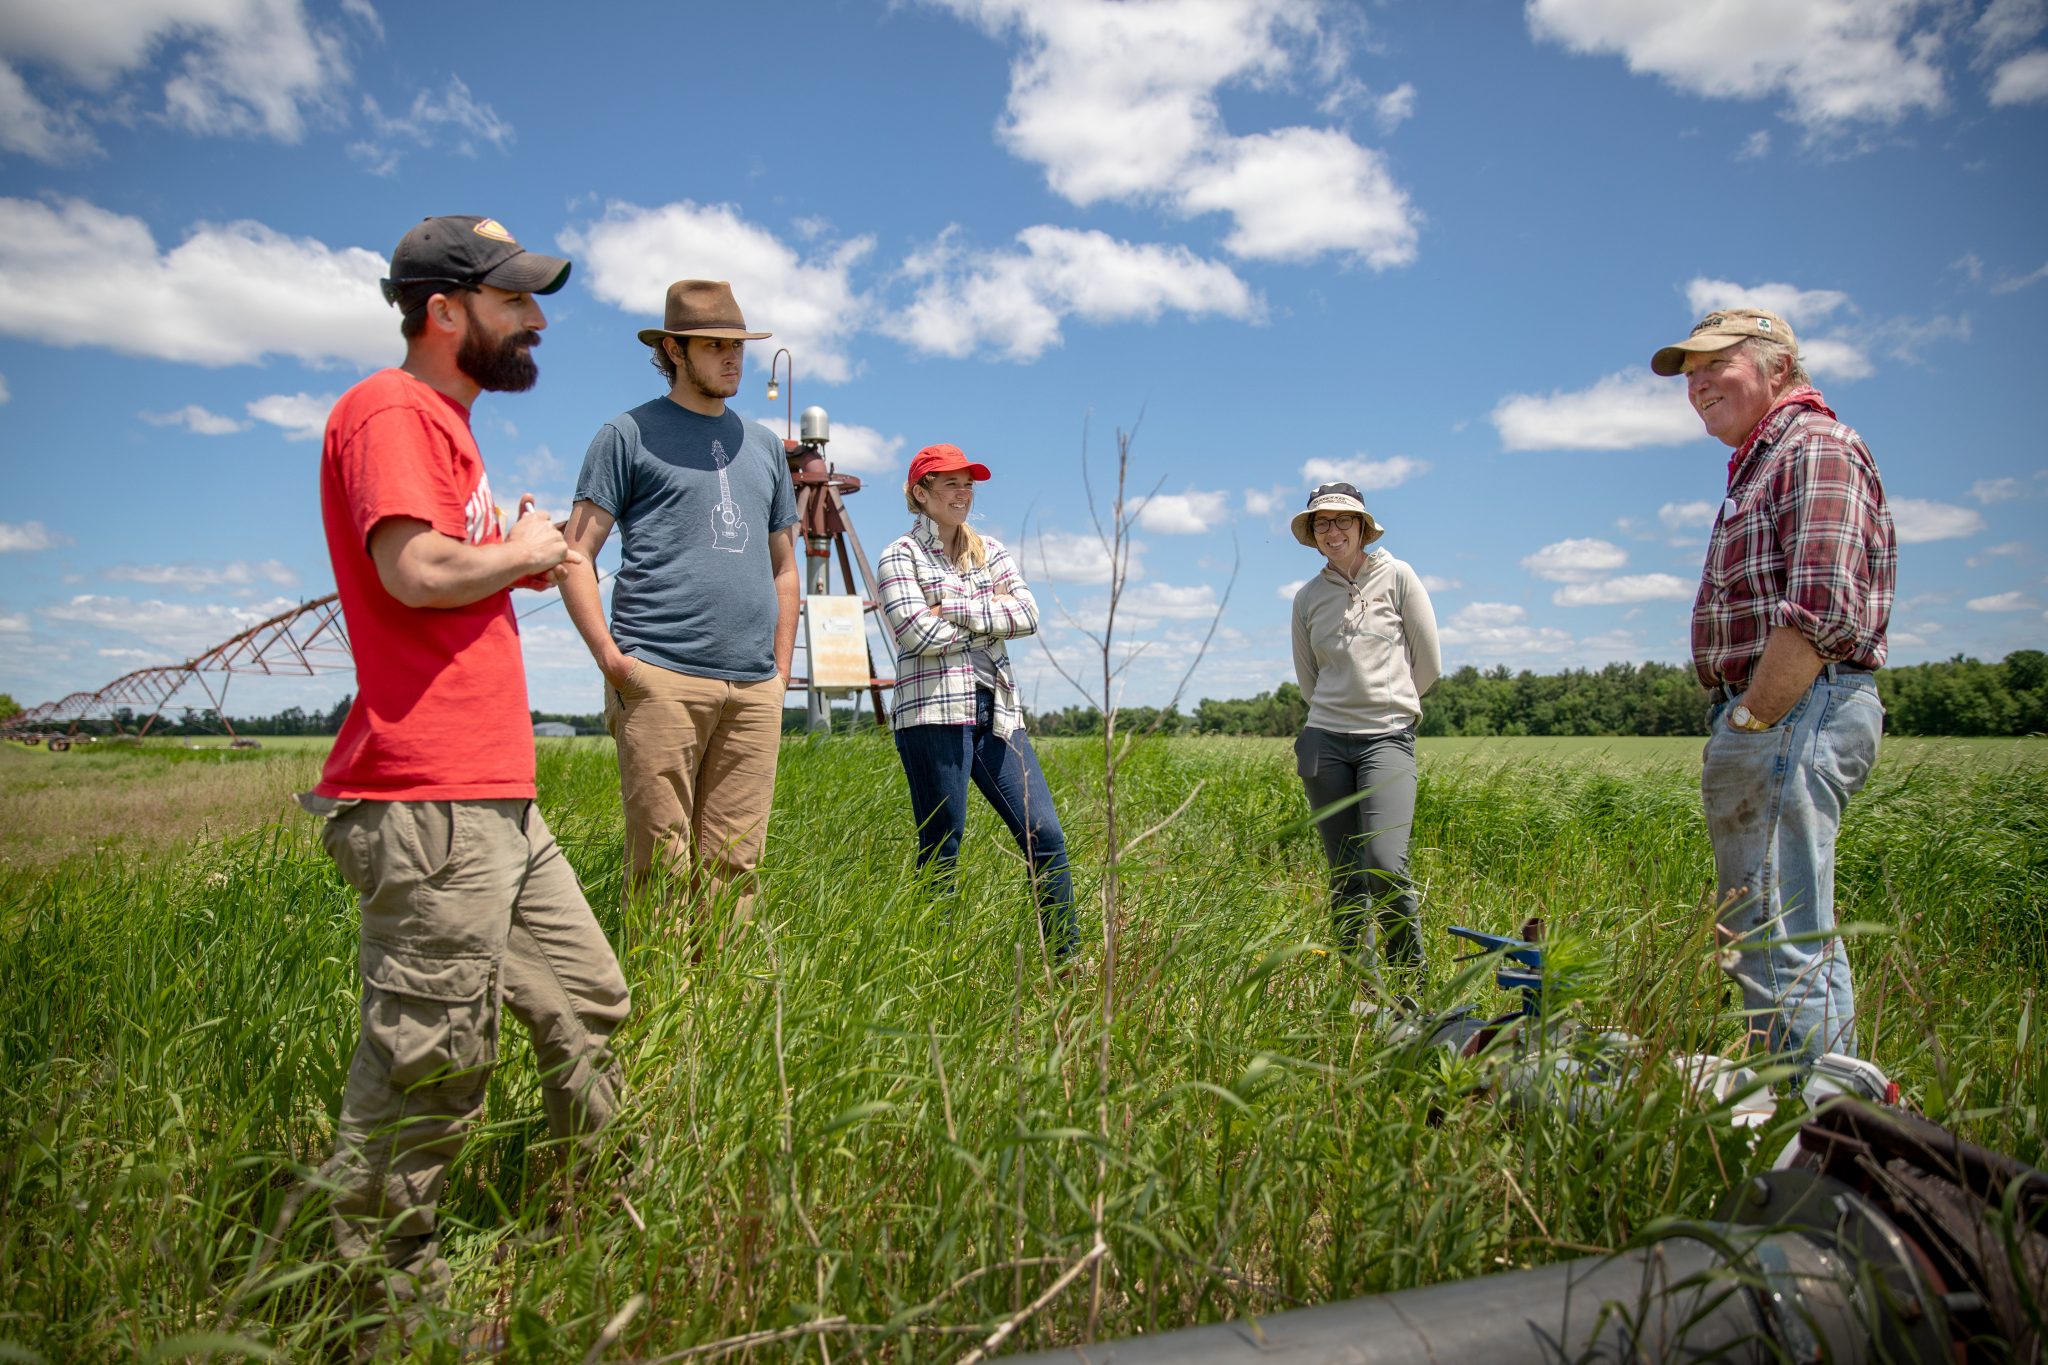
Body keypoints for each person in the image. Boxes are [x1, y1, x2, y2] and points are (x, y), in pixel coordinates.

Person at [300, 215, 631, 1312]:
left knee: (585, 1003)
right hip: (428, 793)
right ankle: (384, 1307)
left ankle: (591, 1234)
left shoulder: (448, 427)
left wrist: (515, 561)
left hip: (492, 793)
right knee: (431, 1061)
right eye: (513, 301)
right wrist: (522, 554)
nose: (536, 320)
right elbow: (414, 567)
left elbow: (456, 568)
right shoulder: (392, 408)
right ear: (444, 313)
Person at [1652, 307, 1894, 1065]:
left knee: (1783, 939)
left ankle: (1820, 1129)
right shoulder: (1763, 460)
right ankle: (1785, 1102)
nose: (1695, 386)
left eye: (1712, 367)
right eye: (1688, 376)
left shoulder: (1816, 446)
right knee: (1758, 933)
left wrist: (1753, 718)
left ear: (1778, 367)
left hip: (1796, 708)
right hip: (1778, 712)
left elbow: (1821, 608)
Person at [560, 280, 800, 937]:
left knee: (736, 873)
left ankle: (725, 1027)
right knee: (660, 871)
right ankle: (665, 1030)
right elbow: (575, 552)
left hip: (753, 689)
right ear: (674, 348)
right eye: (715, 345)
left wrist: (777, 677)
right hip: (659, 677)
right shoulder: (626, 435)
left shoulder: (763, 448)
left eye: (739, 346)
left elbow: (784, 567)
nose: (732, 358)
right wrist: (614, 662)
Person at [877, 444, 1079, 963]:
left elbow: (1029, 615)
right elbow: (915, 633)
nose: (963, 493)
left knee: (1045, 835)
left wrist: (956, 608)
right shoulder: (900, 554)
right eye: (950, 484)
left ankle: (1067, 963)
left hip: (998, 713)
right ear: (921, 494)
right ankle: (931, 964)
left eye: (968, 484)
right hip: (933, 715)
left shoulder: (989, 550)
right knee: (943, 842)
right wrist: (989, 623)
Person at [1289, 481, 1440, 981]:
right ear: (1313, 533)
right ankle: (1358, 987)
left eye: (1343, 520)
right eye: (1322, 523)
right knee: (1346, 874)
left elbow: (1428, 665)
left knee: (1384, 863)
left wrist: (1388, 706)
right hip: (1323, 740)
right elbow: (1309, 679)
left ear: (1362, 527)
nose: (1333, 531)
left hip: (1387, 737)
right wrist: (1338, 713)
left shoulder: (1397, 576)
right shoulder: (1307, 597)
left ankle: (1410, 986)